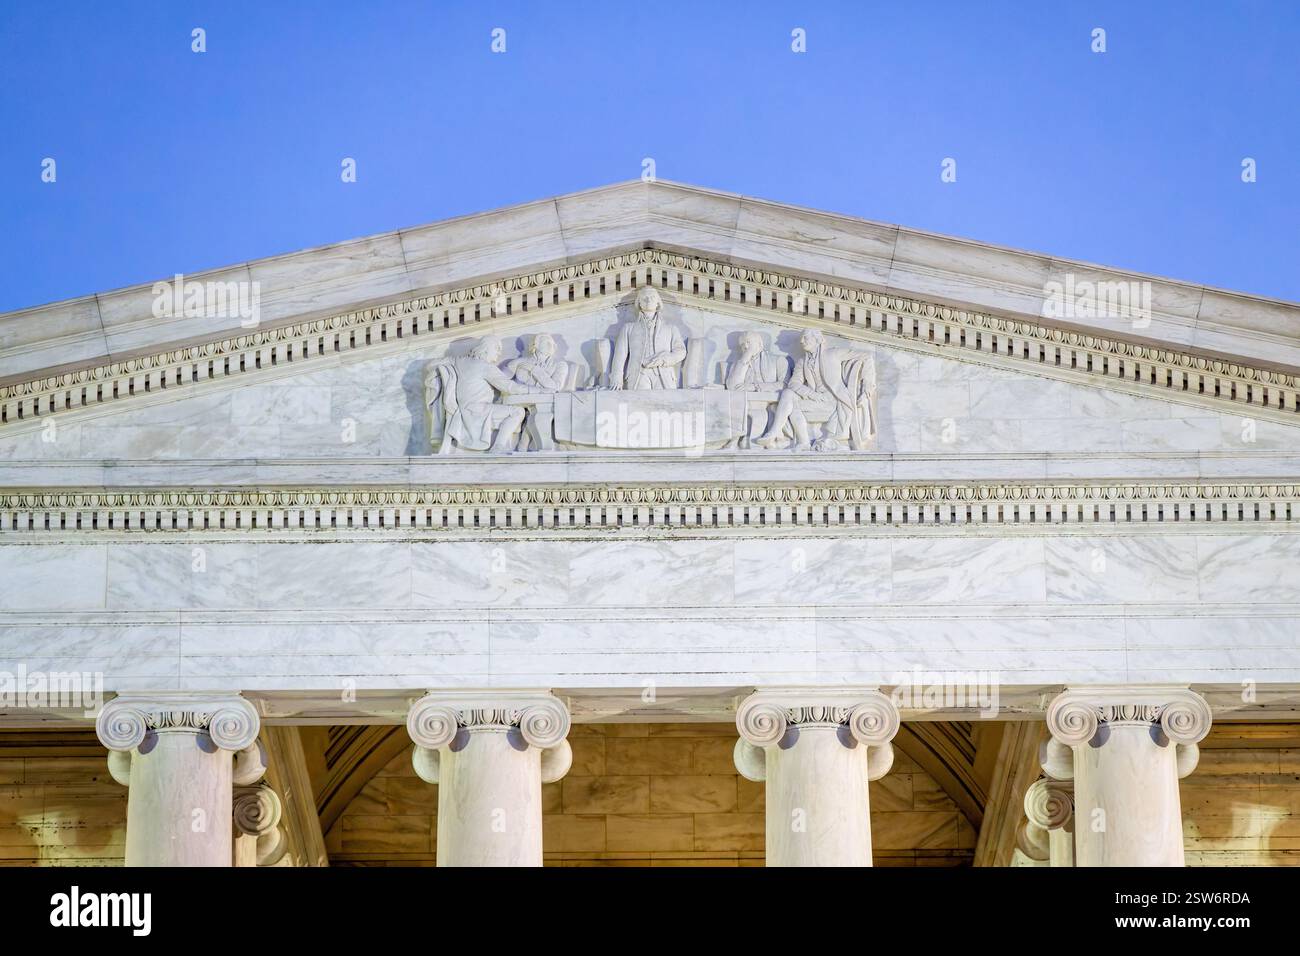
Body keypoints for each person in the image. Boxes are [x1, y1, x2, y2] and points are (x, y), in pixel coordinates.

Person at [755, 329, 875, 451]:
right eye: (802, 338)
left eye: (805, 338)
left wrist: (867, 387)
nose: (801, 341)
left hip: (834, 401)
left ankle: (790, 438)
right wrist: (812, 394)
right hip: (816, 400)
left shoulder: (833, 354)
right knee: (787, 394)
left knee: (785, 405)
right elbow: (793, 383)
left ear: (817, 340)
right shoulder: (802, 362)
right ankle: (786, 436)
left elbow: (867, 357)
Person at [426, 338, 531, 453]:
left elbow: (431, 364)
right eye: (497, 349)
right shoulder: (486, 367)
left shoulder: (459, 361)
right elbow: (510, 387)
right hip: (478, 411)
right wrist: (535, 390)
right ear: (486, 349)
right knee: (518, 412)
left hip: (462, 411)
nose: (499, 354)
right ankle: (498, 447)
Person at [610, 287, 685, 390]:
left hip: (664, 374)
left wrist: (664, 359)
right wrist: (616, 377)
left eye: (652, 297)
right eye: (644, 298)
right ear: (639, 303)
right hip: (639, 374)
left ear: (658, 302)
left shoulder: (671, 328)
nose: (648, 300)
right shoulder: (628, 328)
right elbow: (620, 355)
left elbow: (681, 351)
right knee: (639, 400)